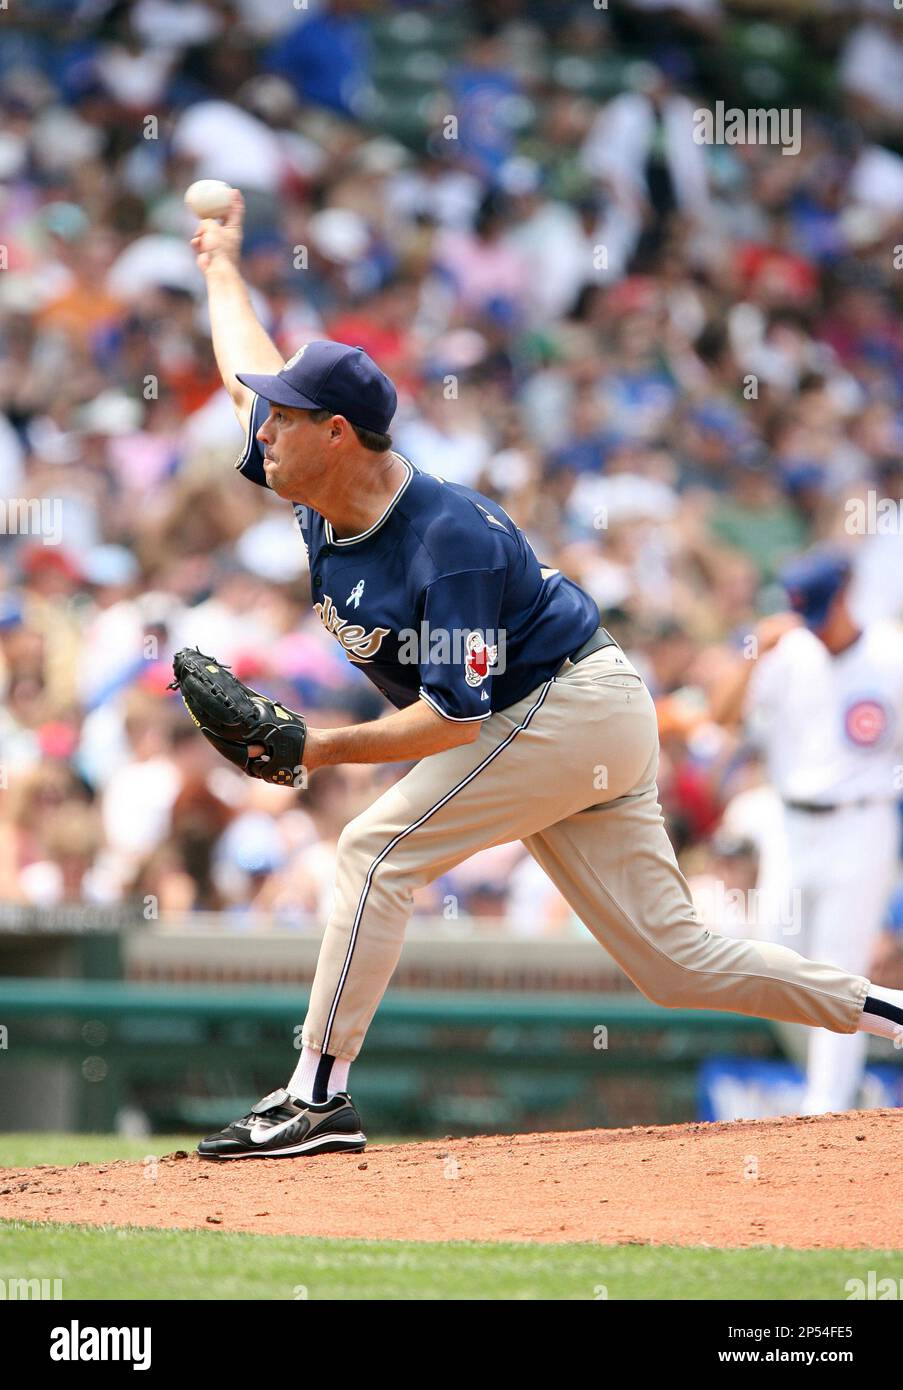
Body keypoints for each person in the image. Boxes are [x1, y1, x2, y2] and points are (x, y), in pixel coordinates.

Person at [190, 192, 903, 1159]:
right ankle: (894, 1013)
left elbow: (449, 721)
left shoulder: (447, 543)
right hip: (560, 721)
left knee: (371, 851)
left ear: (339, 435)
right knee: (674, 963)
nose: (261, 428)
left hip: (568, 707)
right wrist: (220, 263)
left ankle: (316, 1097)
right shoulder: (312, 481)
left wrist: (314, 749)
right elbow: (245, 366)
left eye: (285, 416)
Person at [711, 547, 903, 1114]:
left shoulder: (890, 652)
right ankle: (852, 1072)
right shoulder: (787, 652)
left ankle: (827, 1107)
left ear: (845, 595)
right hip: (790, 824)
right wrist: (751, 653)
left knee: (840, 963)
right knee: (777, 961)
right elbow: (720, 717)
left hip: (862, 822)